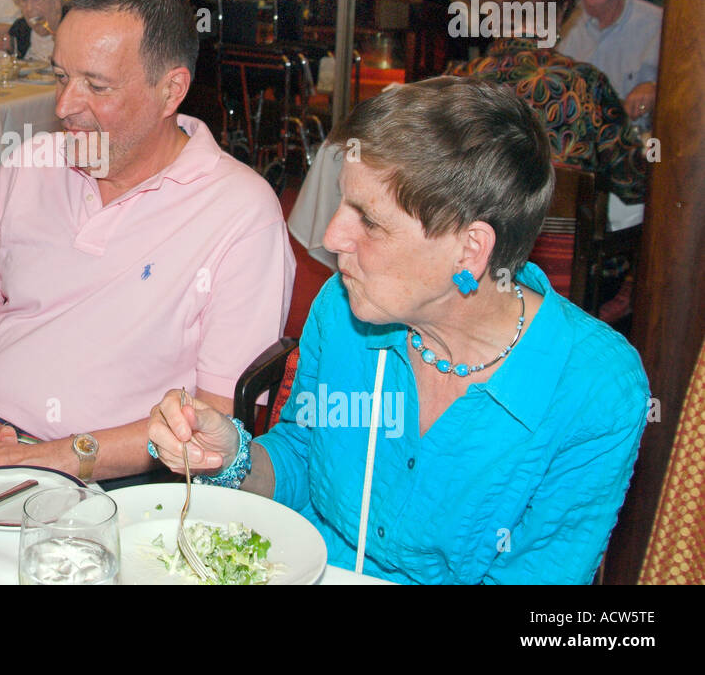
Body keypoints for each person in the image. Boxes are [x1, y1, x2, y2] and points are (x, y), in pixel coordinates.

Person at [149, 77, 649, 584]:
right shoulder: (343, 309)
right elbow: (301, 461)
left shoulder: (593, 387)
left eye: (369, 220)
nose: (331, 236)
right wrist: (229, 457)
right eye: (343, 203)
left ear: (469, 251)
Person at [0, 0, 295, 483]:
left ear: (171, 91)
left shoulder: (241, 212)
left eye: (96, 86)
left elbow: (212, 420)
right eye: (60, 77)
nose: (63, 107)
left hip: (117, 480)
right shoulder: (32, 164)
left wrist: (48, 459)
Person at [449, 0, 647, 206]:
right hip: (562, 245)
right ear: (564, 9)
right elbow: (633, 184)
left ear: (496, 7)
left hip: (480, 244)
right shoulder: (586, 85)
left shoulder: (457, 83)